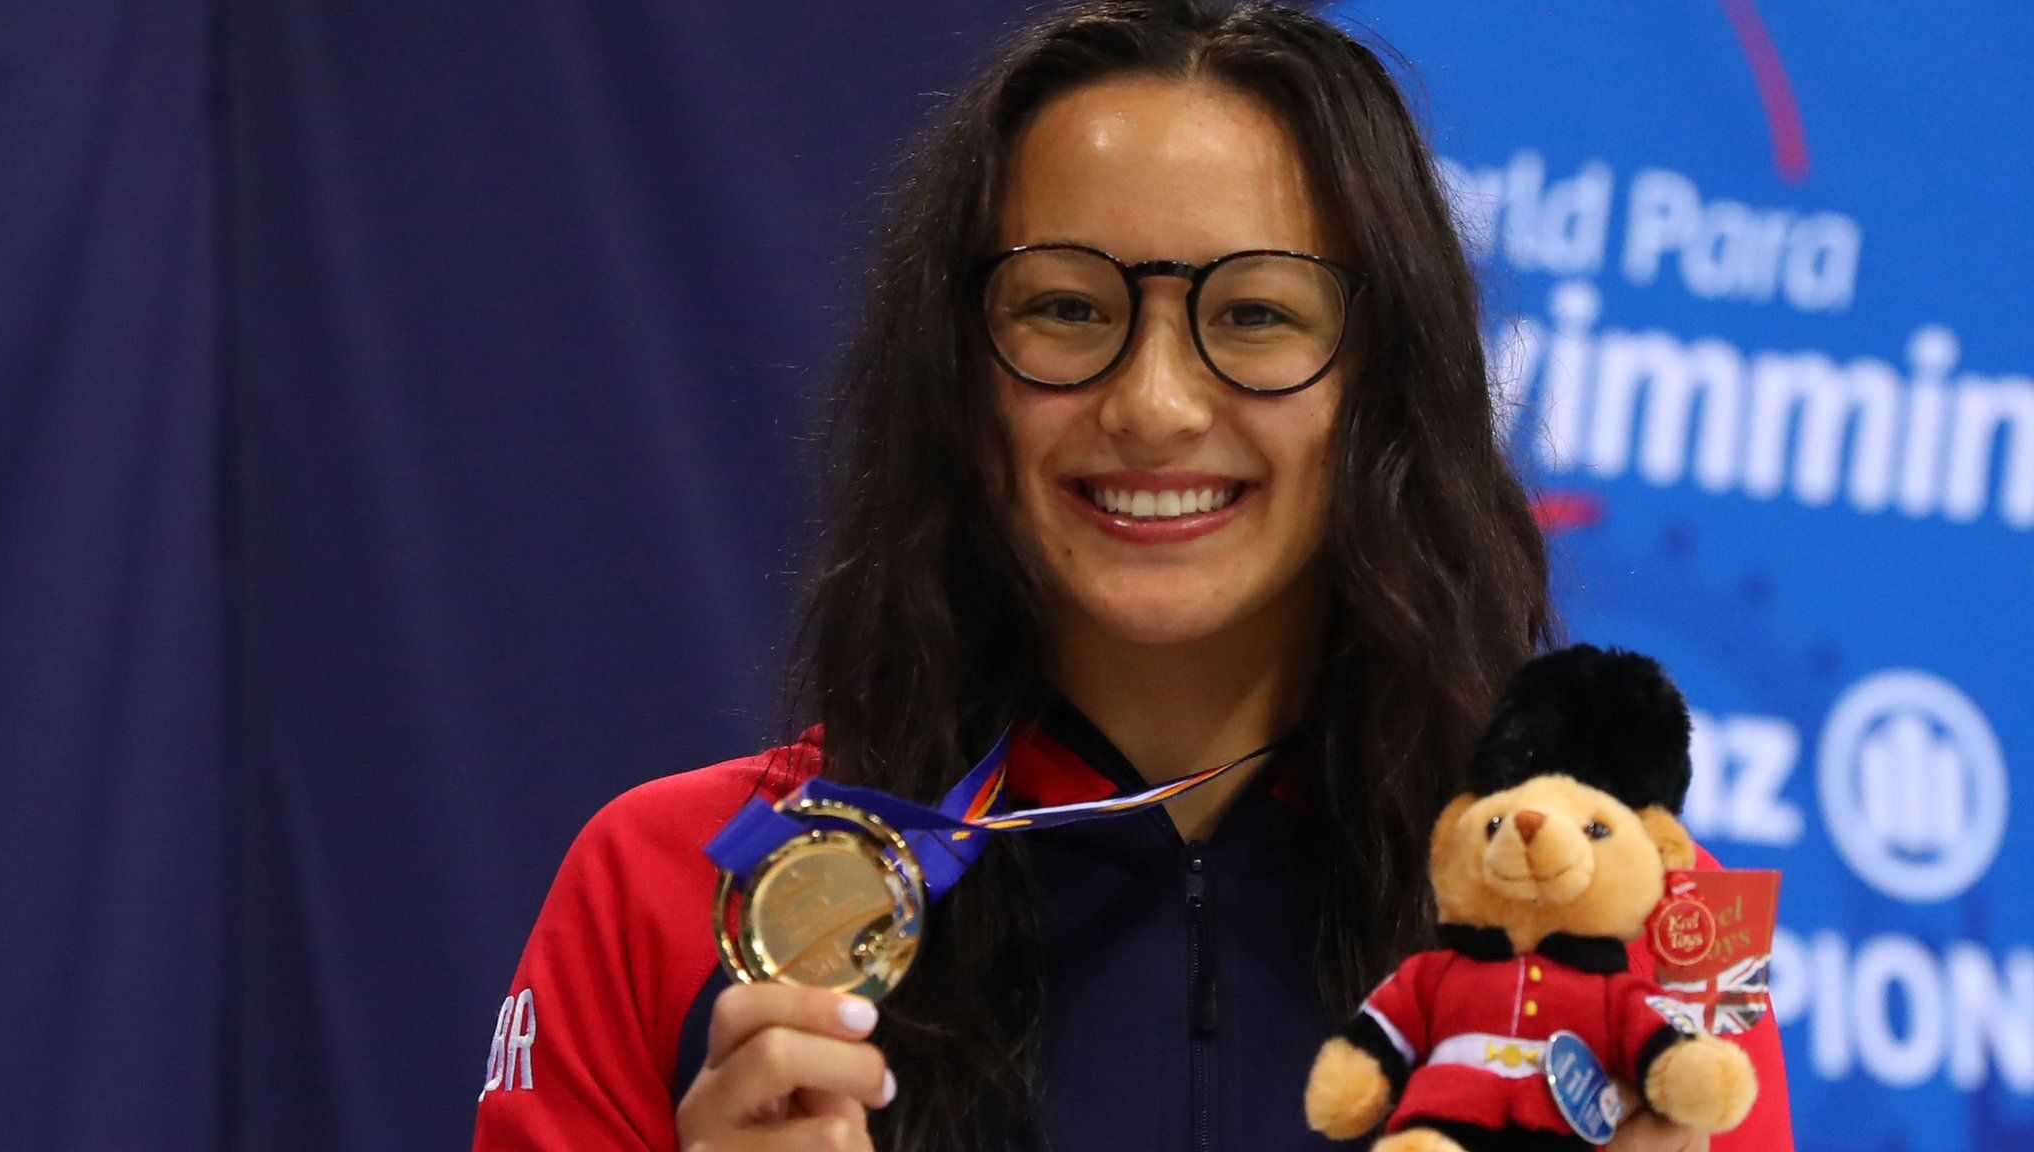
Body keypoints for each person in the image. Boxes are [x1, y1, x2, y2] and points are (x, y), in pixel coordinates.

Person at [470, 2, 1795, 1150]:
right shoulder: (668, 887)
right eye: (1068, 309)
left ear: (1386, 390)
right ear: (962, 378)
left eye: (1256, 314)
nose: (1155, 404)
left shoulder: (1642, 927)